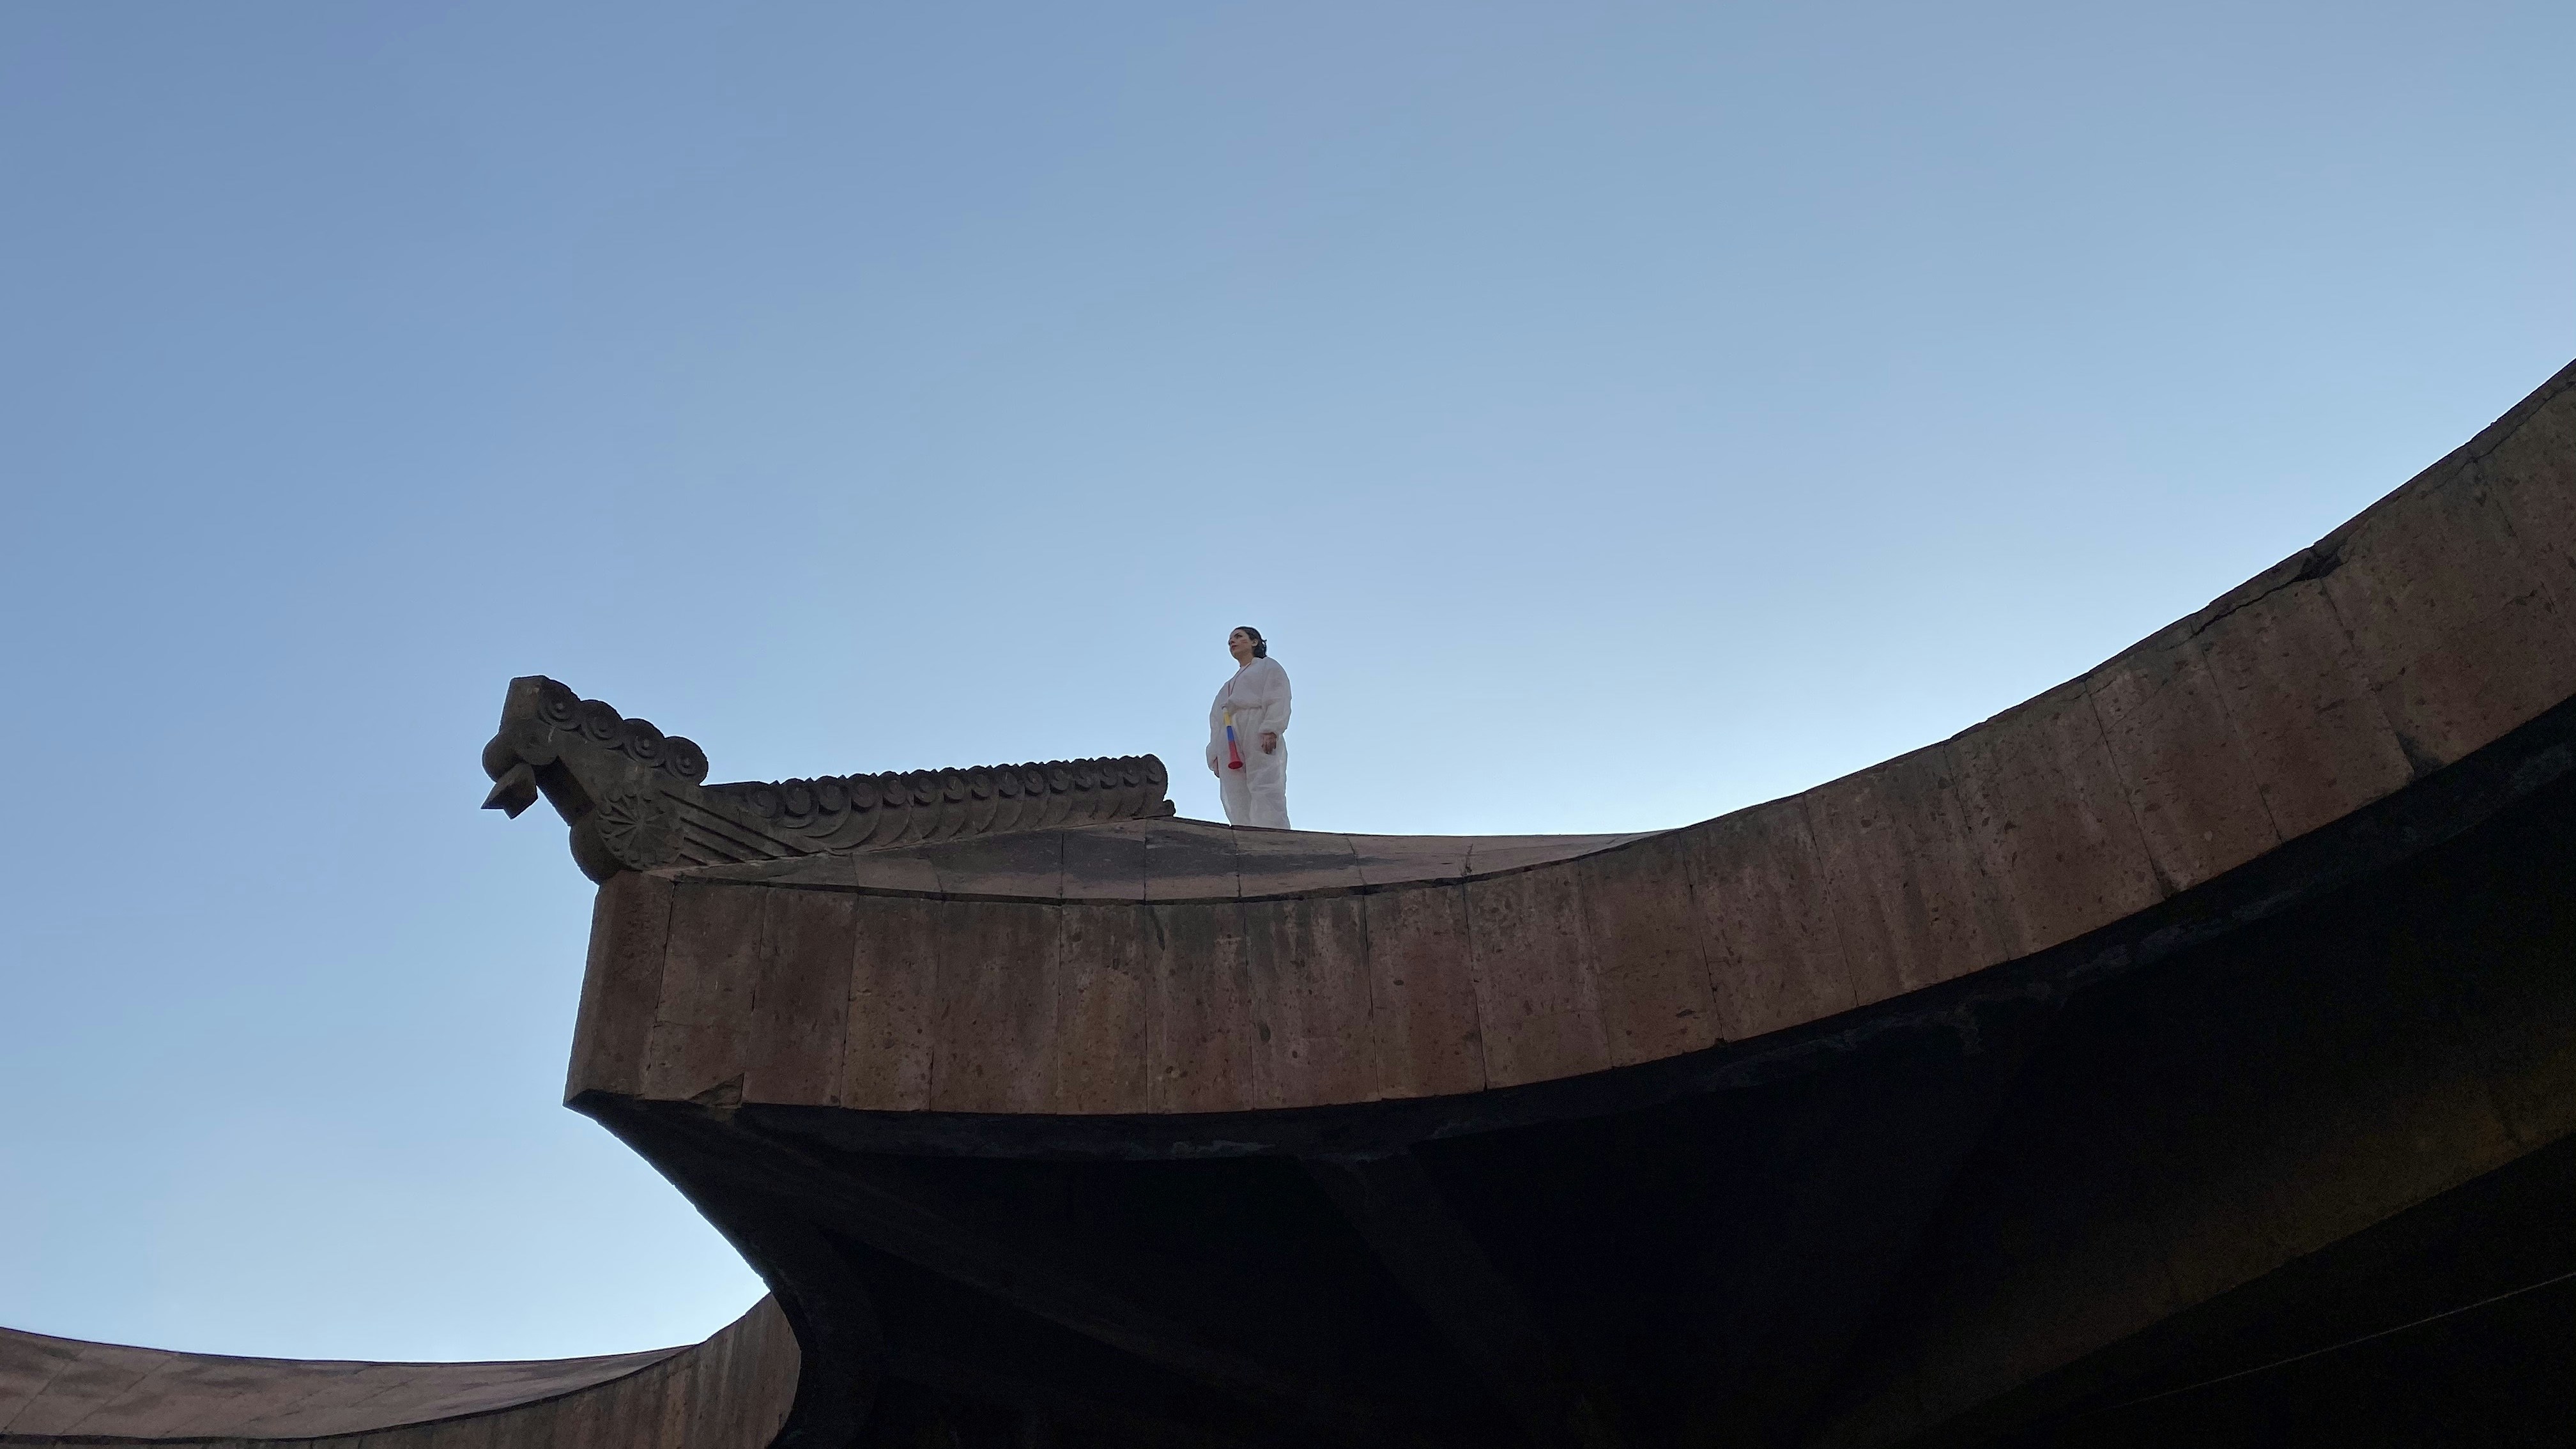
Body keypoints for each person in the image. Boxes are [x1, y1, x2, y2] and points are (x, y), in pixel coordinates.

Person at [1207, 625, 1291, 829]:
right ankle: (1245, 832)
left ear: (1254, 642)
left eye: (1238, 637)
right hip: (1230, 736)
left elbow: (1278, 696)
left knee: (1264, 782)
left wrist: (1271, 727)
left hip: (1256, 726)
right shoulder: (1227, 686)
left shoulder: (1268, 667)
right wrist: (1216, 754)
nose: (1232, 642)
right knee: (1235, 789)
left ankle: (1273, 833)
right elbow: (1216, 721)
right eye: (1229, 641)